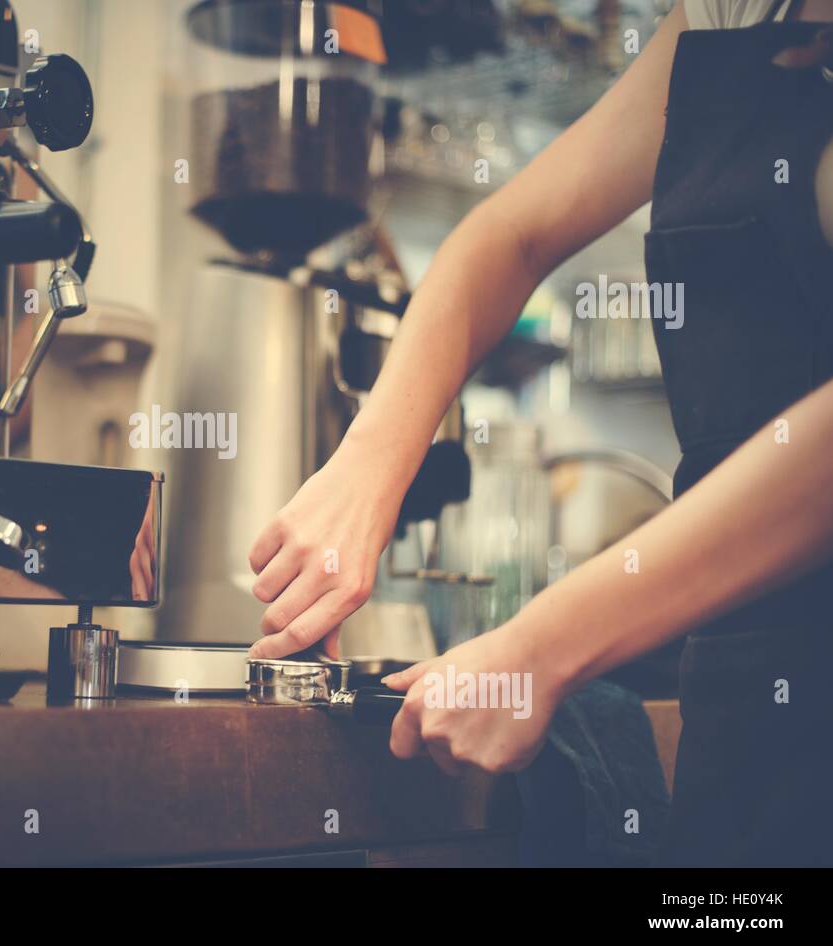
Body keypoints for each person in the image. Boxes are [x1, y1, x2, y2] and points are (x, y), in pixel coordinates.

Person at [248, 0, 833, 865]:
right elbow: (510, 236)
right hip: (740, 700)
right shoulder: (737, 9)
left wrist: (540, 646)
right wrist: (369, 465)